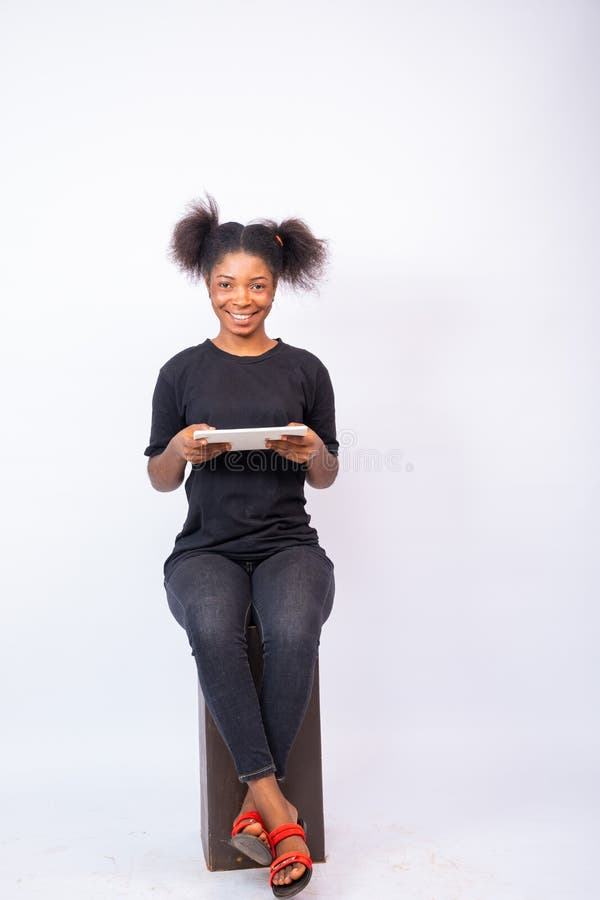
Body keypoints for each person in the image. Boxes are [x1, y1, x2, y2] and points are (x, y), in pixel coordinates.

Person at [143, 194, 339, 898]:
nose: (242, 299)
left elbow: (327, 472)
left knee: (291, 628)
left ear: (277, 286)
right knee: (214, 628)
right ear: (206, 284)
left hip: (289, 543)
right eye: (227, 284)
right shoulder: (181, 372)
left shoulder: (306, 369)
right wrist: (178, 448)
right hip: (205, 551)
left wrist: (313, 447)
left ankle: (258, 814)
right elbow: (161, 479)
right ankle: (280, 814)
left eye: (256, 285)